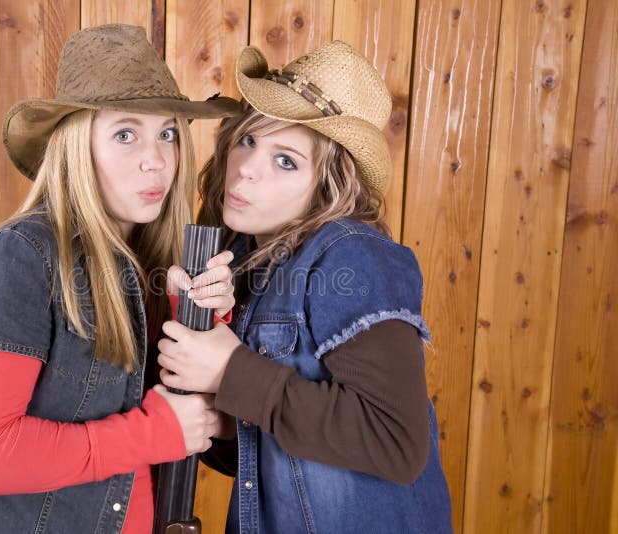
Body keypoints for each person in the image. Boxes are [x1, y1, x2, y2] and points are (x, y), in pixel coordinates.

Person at [0, 24, 241, 534]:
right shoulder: (21, 258)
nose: (156, 159)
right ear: (77, 146)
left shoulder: (151, 265)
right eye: (126, 134)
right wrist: (152, 433)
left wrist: (205, 324)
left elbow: (182, 419)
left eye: (167, 133)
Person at [156, 41, 453, 533]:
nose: (247, 167)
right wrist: (219, 415)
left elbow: (395, 442)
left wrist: (230, 371)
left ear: (328, 184)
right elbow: (273, 453)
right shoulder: (255, 262)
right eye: (249, 140)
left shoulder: (351, 253)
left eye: (286, 160)